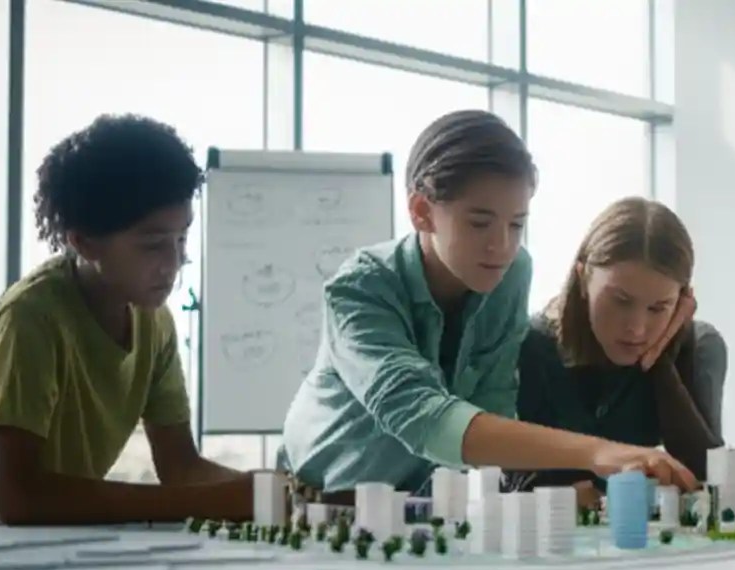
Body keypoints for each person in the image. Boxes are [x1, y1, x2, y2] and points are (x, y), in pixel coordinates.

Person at [280, 111, 696, 500]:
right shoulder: (361, 288)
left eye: (516, 224)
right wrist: (599, 452)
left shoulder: (510, 273)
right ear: (422, 211)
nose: (501, 245)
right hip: (322, 503)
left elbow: (495, 405)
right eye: (479, 223)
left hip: (425, 508)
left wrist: (541, 497)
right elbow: (424, 418)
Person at [0, 114, 254, 525]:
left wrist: (275, 493)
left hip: (58, 547)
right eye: (153, 244)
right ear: (83, 241)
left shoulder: (154, 321)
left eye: (181, 238)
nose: (174, 262)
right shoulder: (31, 319)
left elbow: (181, 468)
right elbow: (18, 499)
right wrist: (216, 502)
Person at [508, 197, 726, 508]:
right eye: (621, 301)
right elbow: (516, 482)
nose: (637, 329)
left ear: (681, 302)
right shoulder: (530, 346)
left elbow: (706, 478)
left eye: (658, 308)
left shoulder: (700, 346)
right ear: (583, 279)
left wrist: (661, 360)